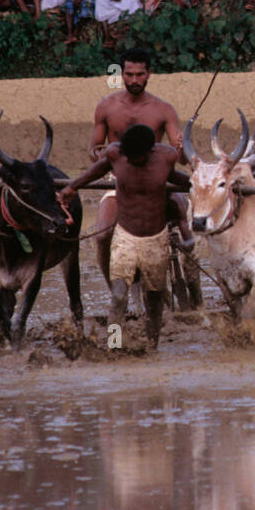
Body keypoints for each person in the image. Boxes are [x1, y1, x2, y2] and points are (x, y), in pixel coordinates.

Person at [59, 124, 191, 347]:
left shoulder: (166, 157)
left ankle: (152, 345)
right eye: (129, 156)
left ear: (150, 152)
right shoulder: (115, 154)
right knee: (119, 296)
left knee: (154, 300)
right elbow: (95, 172)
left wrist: (202, 185)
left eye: (138, 157)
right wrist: (72, 188)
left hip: (156, 240)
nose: (133, 161)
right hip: (125, 238)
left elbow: (181, 179)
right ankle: (114, 344)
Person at [88, 48, 196, 301]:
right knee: (103, 235)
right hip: (119, 182)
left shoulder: (163, 110)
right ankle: (116, 292)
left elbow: (178, 156)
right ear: (121, 74)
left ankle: (189, 286)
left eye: (139, 74)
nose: (134, 80)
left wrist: (181, 150)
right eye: (129, 74)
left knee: (183, 221)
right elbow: (94, 149)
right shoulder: (106, 107)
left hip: (156, 181)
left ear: (149, 74)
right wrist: (99, 156)